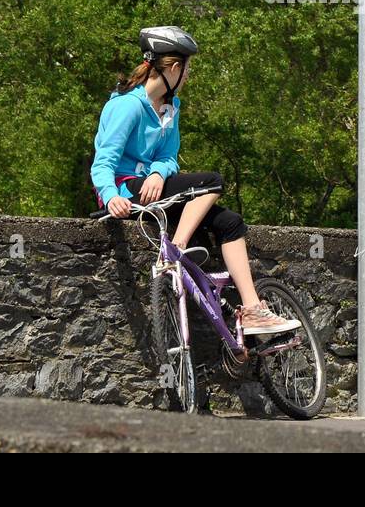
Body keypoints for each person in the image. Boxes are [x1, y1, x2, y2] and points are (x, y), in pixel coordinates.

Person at [91, 26, 299, 335]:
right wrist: (110, 195)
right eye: (187, 69)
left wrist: (160, 172)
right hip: (125, 190)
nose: (188, 77)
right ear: (174, 68)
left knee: (230, 222)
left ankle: (252, 308)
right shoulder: (128, 107)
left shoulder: (170, 107)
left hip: (156, 191)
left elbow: (168, 155)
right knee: (212, 181)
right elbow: (103, 161)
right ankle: (175, 250)